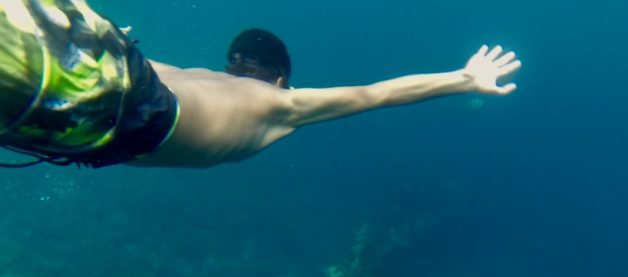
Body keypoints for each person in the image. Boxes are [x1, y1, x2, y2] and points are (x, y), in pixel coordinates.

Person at [0, 0, 521, 169]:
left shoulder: (253, 95)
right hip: (86, 127)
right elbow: (375, 94)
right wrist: (462, 80)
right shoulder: (265, 98)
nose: (236, 69)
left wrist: (462, 79)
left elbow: (377, 94)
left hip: (116, 97)